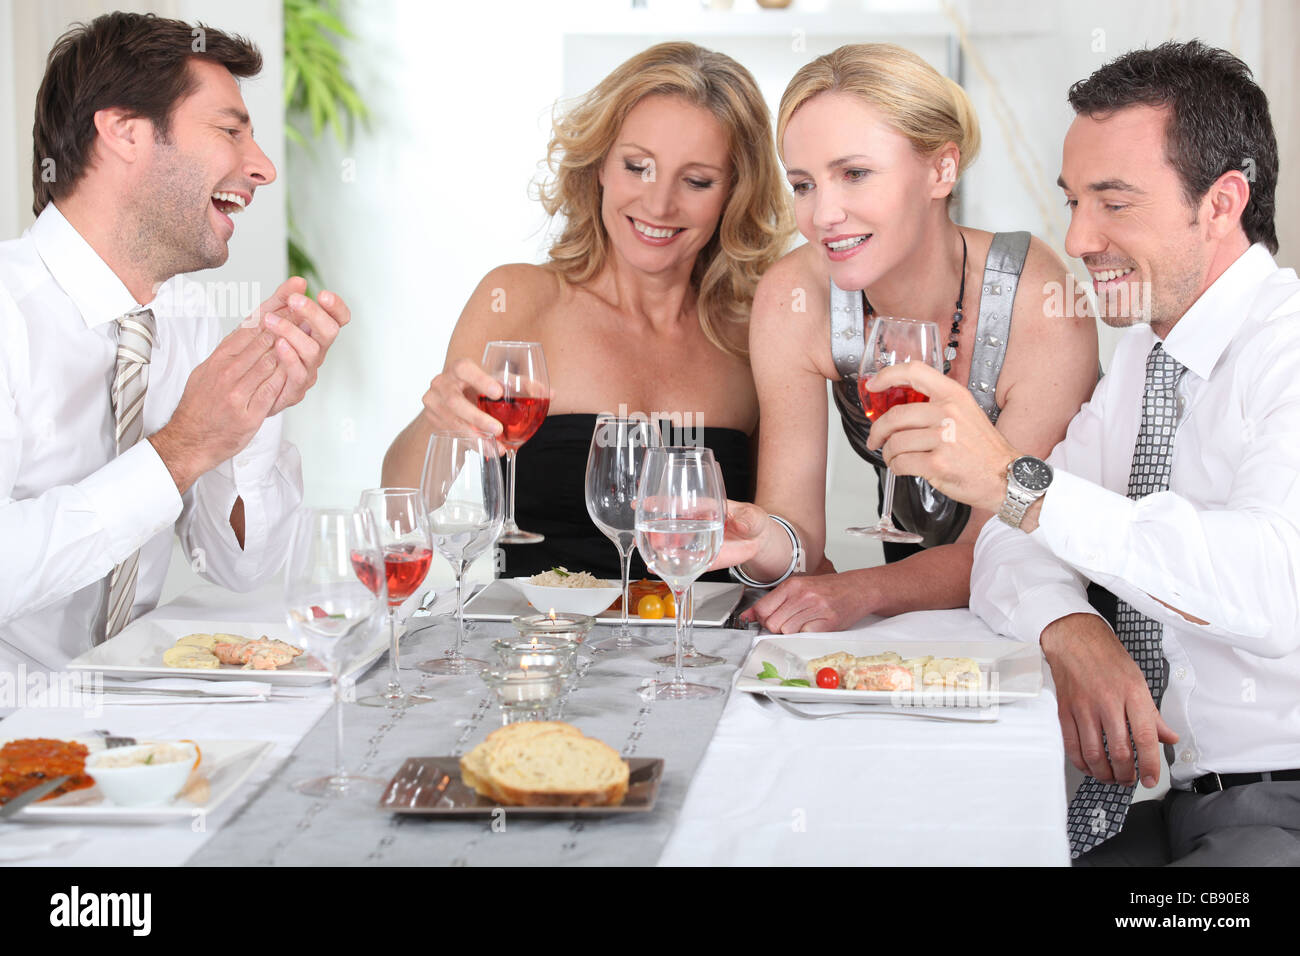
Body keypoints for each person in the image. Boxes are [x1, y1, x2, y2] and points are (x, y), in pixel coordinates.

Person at [866, 41, 1300, 865]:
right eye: (1072, 202)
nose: (1077, 237)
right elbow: (1007, 540)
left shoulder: (1289, 349)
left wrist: (1012, 481)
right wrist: (1071, 629)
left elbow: (1273, 590)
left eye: (1113, 204)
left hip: (1275, 801)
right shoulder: (1146, 354)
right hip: (1161, 803)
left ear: (1222, 202)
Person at [0, 13, 350, 673]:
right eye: (228, 130)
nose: (264, 167)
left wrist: (255, 406)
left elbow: (240, 568)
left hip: (141, 722)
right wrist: (181, 449)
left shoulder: (187, 315)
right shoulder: (7, 315)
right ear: (125, 132)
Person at [715, 44, 1098, 632]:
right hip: (913, 609)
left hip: (1051, 611)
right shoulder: (793, 296)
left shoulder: (1037, 298)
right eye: (803, 184)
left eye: (855, 174)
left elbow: (1006, 539)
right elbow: (798, 535)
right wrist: (766, 538)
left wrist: (854, 592)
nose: (822, 215)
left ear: (941, 170)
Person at [382, 42, 791, 581]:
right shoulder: (518, 299)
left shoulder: (753, 331)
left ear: (733, 192)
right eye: (637, 166)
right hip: (540, 650)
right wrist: (438, 423)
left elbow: (779, 547)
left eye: (696, 181)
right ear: (600, 165)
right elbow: (399, 512)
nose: (659, 203)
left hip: (700, 651)